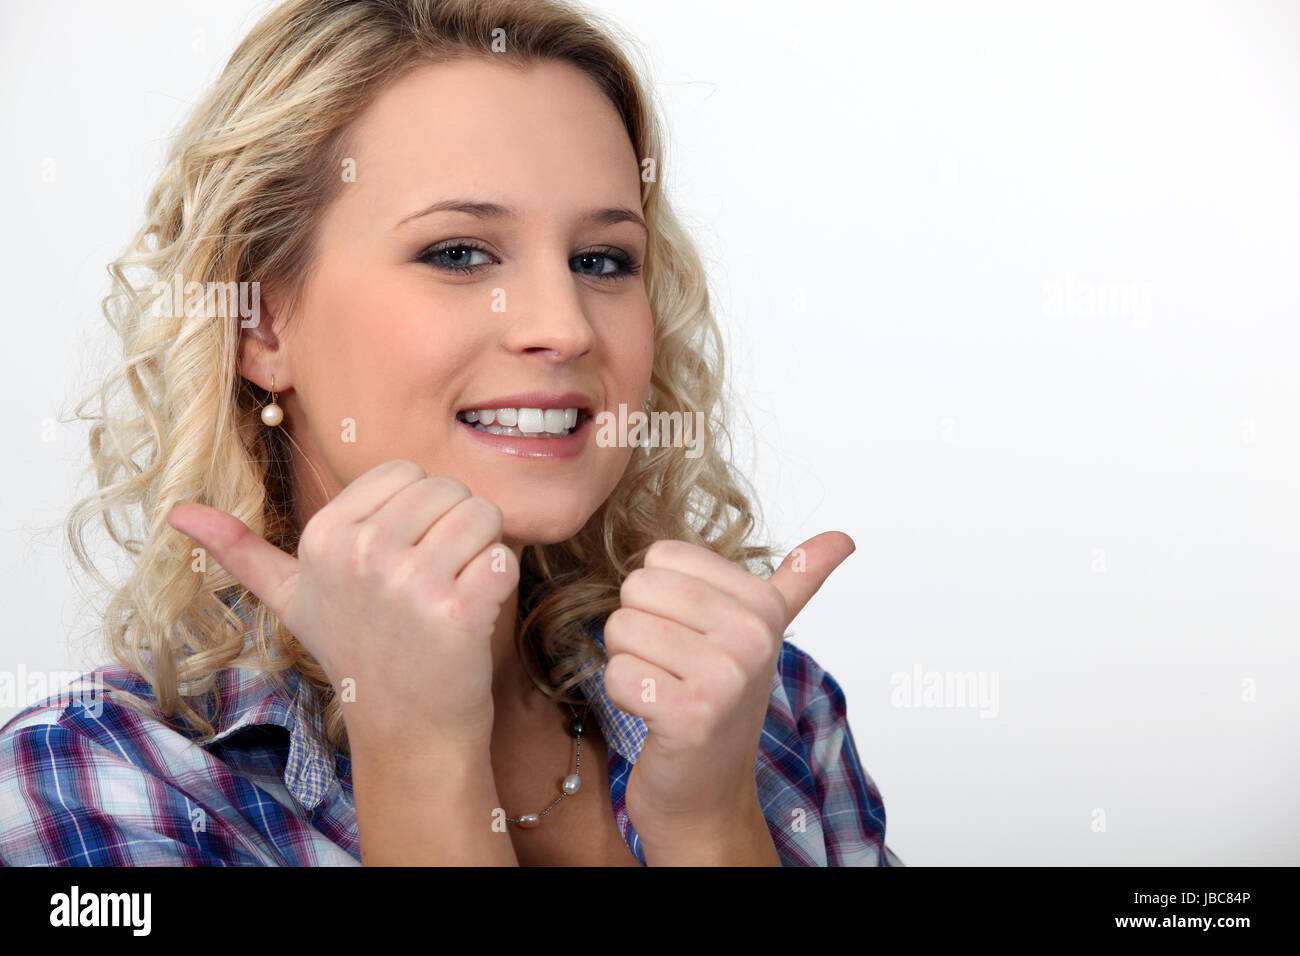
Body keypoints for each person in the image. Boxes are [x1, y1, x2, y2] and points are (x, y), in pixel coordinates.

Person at [0, 0, 902, 867]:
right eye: (459, 253)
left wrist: (710, 826)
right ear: (259, 324)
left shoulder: (762, 701)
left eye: (602, 260)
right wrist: (418, 757)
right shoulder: (90, 782)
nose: (566, 325)